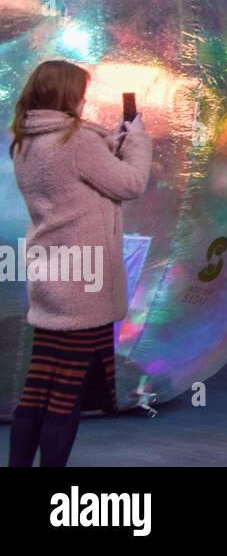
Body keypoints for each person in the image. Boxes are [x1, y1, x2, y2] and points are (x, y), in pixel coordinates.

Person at [7, 60, 152, 467]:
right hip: (84, 286)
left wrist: (111, 143)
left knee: (38, 389)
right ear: (68, 95)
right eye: (81, 92)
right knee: (64, 396)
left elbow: (79, 181)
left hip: (53, 276)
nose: (84, 99)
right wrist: (136, 140)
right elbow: (129, 183)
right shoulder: (76, 142)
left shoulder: (25, 140)